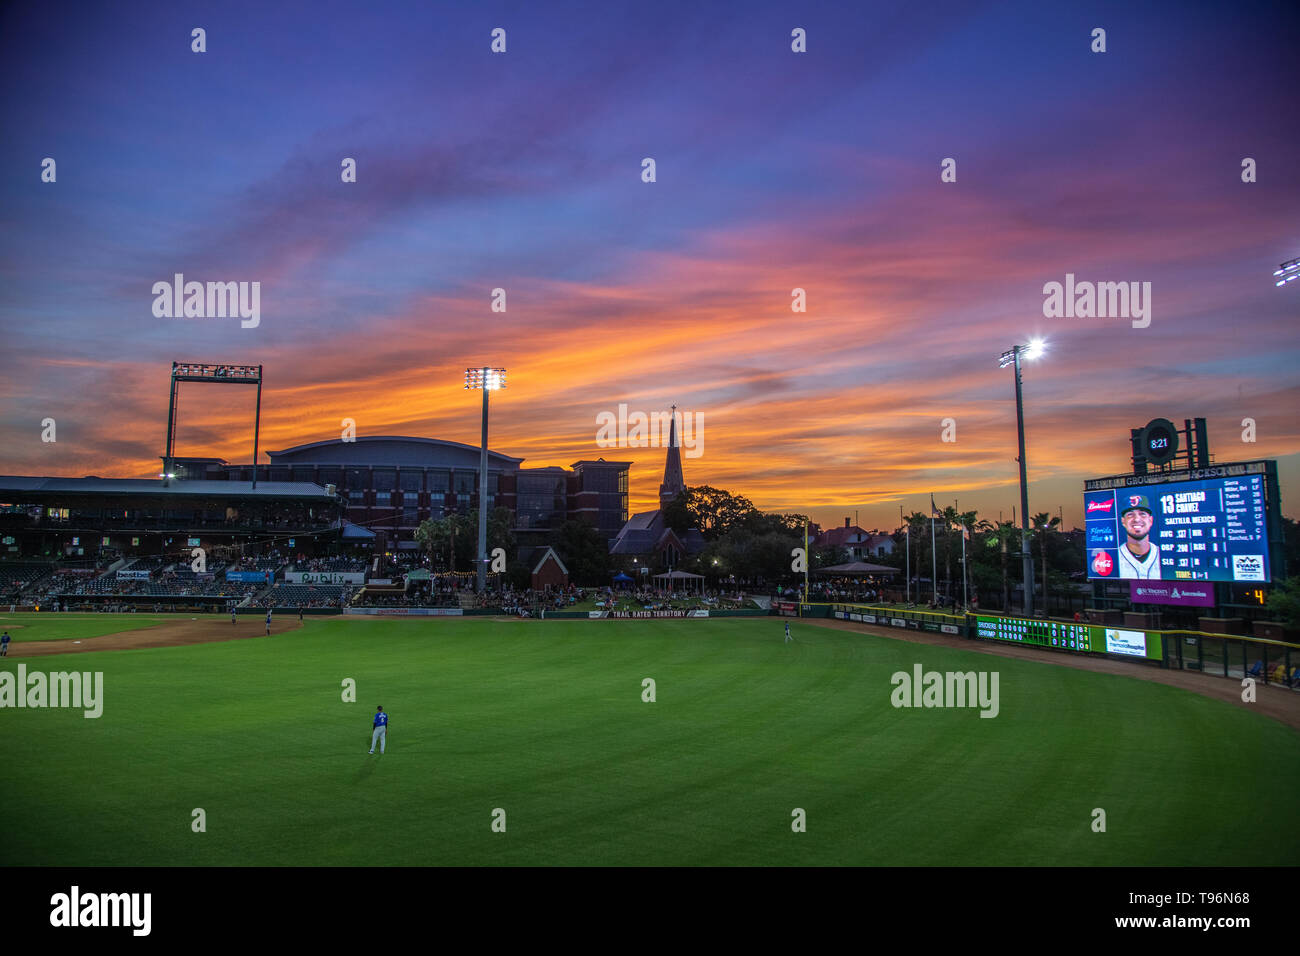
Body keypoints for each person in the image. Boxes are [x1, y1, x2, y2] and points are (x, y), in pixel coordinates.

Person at [1117, 495, 1162, 580]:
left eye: (1142, 514)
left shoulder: (1164, 555)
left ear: (1151, 520)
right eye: (1130, 515)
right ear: (1123, 521)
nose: (1137, 519)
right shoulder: (1114, 557)